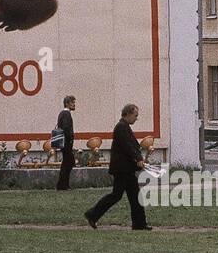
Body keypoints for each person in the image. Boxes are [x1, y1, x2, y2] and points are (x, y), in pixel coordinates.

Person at [84, 103, 150, 231]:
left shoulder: (124, 127)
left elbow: (132, 146)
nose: (136, 118)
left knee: (134, 196)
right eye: (135, 116)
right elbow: (128, 147)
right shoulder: (121, 127)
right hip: (122, 169)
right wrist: (138, 159)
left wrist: (138, 159)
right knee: (116, 195)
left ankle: (139, 224)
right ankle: (92, 214)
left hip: (126, 169)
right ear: (128, 114)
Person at [56, 95, 76, 190]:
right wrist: (70, 138)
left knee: (67, 162)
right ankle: (63, 185)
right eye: (72, 102)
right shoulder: (66, 114)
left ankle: (63, 184)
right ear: (67, 104)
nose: (74, 104)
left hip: (63, 142)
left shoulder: (62, 114)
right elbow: (66, 128)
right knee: (68, 162)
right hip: (66, 143)